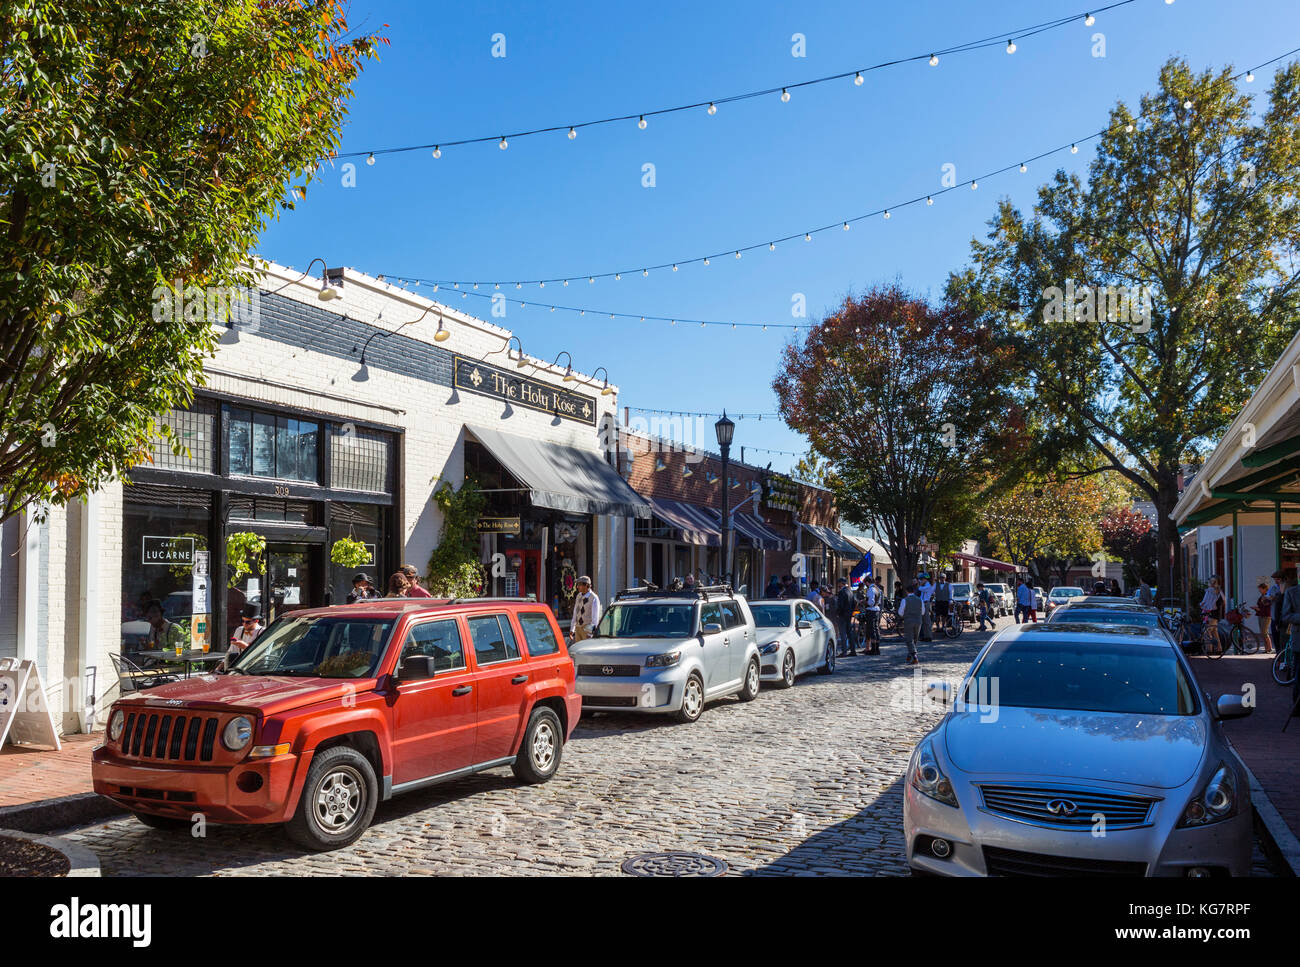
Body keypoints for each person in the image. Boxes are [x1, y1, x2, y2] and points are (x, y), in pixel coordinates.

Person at [218, 606, 263, 672]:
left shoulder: (262, 632)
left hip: (256, 669)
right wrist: (218, 668)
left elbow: (263, 654)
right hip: (240, 669)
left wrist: (246, 647)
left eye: (248, 622)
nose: (244, 624)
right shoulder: (239, 630)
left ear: (256, 621)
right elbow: (231, 650)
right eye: (242, 621)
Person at [898, 583, 923, 665]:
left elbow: (900, 612)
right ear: (914, 591)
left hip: (908, 621)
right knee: (915, 639)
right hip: (918, 621)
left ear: (907, 591)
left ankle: (914, 656)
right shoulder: (920, 600)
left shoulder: (905, 600)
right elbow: (923, 612)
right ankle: (910, 655)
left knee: (909, 639)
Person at [570, 575, 601, 642]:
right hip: (578, 628)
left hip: (587, 628)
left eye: (579, 585)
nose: (577, 587)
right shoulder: (578, 596)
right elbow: (575, 612)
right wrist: (572, 629)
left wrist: (590, 633)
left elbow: (595, 618)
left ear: (586, 585)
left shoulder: (594, 598)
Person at [1200, 576, 1224, 653]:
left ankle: (1209, 650)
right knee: (1214, 631)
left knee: (1207, 631)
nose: (1210, 583)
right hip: (1215, 615)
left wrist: (1201, 605)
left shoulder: (1210, 591)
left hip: (1210, 614)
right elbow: (1223, 601)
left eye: (1211, 581)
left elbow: (1205, 603)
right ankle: (1219, 649)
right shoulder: (1219, 591)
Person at [834, 578, 855, 656]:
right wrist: (851, 612)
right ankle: (853, 650)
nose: (838, 585)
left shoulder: (842, 592)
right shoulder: (850, 591)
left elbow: (841, 605)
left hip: (843, 615)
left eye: (839, 583)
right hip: (849, 614)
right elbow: (854, 603)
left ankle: (844, 651)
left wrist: (838, 613)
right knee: (849, 633)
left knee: (843, 633)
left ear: (841, 583)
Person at [863, 577, 883, 654]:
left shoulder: (871, 589)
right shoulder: (878, 589)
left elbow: (871, 602)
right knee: (876, 628)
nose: (865, 585)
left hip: (871, 611)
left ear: (868, 582)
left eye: (865, 583)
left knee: (872, 629)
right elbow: (879, 601)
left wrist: (864, 602)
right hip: (877, 610)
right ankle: (877, 649)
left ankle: (873, 649)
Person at [1255, 582, 1274, 654]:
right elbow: (1260, 605)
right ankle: (1266, 649)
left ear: (1264, 589)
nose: (1259, 590)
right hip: (1261, 615)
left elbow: (1266, 606)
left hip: (1266, 615)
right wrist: (1257, 608)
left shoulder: (1267, 596)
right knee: (1262, 632)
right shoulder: (1261, 596)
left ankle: (1270, 648)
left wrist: (1257, 608)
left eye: (1260, 589)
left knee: (1265, 632)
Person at [917, 573, 934, 641]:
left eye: (922, 579)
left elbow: (920, 588)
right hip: (922, 603)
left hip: (926, 603)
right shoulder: (925, 585)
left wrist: (920, 584)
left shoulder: (928, 586)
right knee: (923, 621)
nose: (921, 581)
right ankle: (925, 636)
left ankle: (929, 636)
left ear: (925, 579)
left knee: (927, 621)